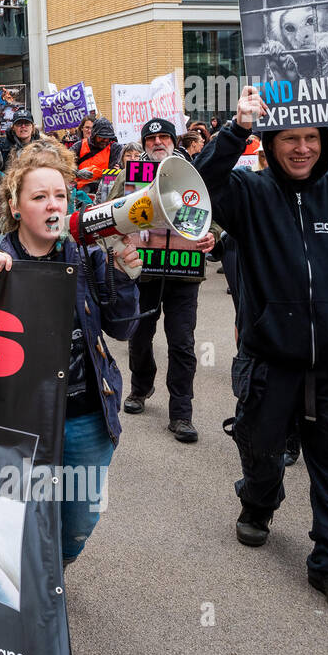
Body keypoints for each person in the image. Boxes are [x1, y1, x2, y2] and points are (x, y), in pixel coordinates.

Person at [199, 82, 328, 616]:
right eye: (287, 138)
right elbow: (196, 187)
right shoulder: (248, 195)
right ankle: (259, 501)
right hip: (271, 360)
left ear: (327, 141)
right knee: (262, 450)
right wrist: (236, 127)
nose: (301, 148)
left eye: (311, 137)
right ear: (270, 144)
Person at [0, 145, 142, 566]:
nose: (53, 205)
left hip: (84, 413)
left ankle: (56, 569)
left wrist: (125, 275)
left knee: (77, 521)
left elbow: (123, 328)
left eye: (60, 196)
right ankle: (27, 589)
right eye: (39, 197)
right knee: (14, 513)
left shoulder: (87, 253)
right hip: (15, 420)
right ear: (15, 205)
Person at [122, 117, 218, 443]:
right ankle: (140, 386)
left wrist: (214, 236)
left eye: (164, 136)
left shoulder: (192, 173)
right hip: (145, 272)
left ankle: (181, 413)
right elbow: (111, 211)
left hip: (183, 273)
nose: (158, 142)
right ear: (144, 143)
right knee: (139, 335)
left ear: (174, 141)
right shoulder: (130, 176)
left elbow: (214, 212)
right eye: (152, 139)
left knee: (182, 343)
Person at [73, 116, 122, 195]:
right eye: (101, 137)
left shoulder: (115, 148)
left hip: (106, 191)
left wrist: (120, 171)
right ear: (94, 135)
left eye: (107, 138)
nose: (105, 140)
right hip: (81, 192)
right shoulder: (79, 146)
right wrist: (77, 173)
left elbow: (121, 170)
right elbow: (64, 165)